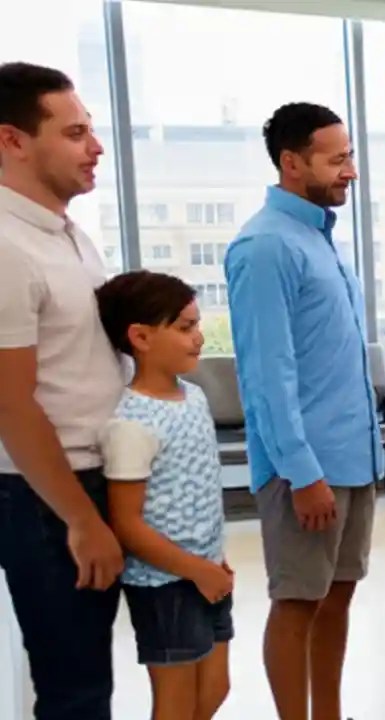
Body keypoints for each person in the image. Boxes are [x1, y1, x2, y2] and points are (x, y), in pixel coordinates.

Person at [224, 102, 381, 720]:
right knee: (296, 603)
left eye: (350, 157)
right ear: (292, 163)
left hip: (352, 459)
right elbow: (265, 374)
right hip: (306, 469)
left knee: (337, 597)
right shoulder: (264, 247)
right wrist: (301, 471)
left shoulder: (321, 240)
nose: (351, 171)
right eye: (337, 159)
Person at [0, 61, 125, 719]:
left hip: (97, 480)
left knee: (94, 682)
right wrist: (80, 518)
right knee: (75, 691)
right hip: (47, 498)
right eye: (75, 133)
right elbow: (11, 406)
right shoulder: (6, 247)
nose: (95, 147)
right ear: (12, 140)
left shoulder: (68, 235)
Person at [96, 271, 232, 720]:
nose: (198, 337)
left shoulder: (193, 397)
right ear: (140, 337)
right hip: (165, 585)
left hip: (205, 571)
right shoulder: (132, 422)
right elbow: (127, 524)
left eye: (197, 324)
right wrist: (194, 568)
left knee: (215, 688)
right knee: (175, 704)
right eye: (184, 327)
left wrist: (212, 561)